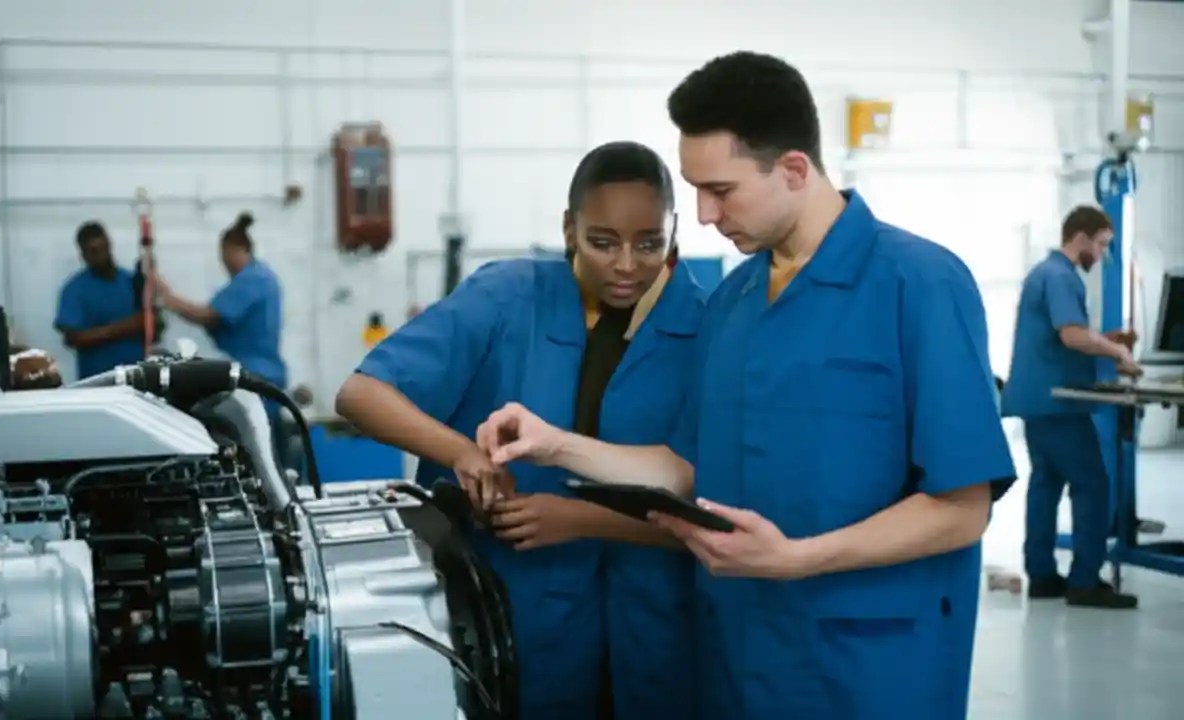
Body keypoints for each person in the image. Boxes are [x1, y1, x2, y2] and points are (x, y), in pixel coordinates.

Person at [474, 52, 1017, 719]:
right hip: (737, 658)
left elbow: (963, 508)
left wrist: (798, 559)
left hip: (870, 667)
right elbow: (683, 468)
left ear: (793, 169)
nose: (702, 214)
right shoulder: (733, 302)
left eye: (720, 190)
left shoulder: (920, 285)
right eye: (695, 188)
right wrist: (552, 444)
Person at [334, 141, 702, 720]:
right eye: (602, 242)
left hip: (656, 631)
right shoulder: (508, 297)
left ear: (674, 229)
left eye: (649, 243)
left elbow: (717, 510)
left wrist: (579, 520)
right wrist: (464, 455)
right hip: (509, 617)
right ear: (569, 227)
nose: (627, 264)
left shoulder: (706, 328)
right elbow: (362, 394)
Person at [1000, 205, 1141, 609]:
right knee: (1093, 484)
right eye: (1101, 245)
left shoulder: (1043, 274)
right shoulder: (1061, 276)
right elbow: (1072, 336)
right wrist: (1115, 349)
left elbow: (1060, 335)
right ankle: (1084, 582)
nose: (1101, 255)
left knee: (1046, 483)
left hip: (1037, 399)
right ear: (1080, 236)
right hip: (1058, 401)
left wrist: (1107, 339)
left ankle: (1042, 574)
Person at [156, 212, 288, 427]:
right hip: (262, 375)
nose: (224, 263)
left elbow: (208, 316)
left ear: (235, 250)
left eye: (224, 256)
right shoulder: (261, 277)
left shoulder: (253, 279)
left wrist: (167, 297)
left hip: (258, 377)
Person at [54, 221, 145, 379]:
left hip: (137, 379)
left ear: (110, 245)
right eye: (93, 251)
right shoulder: (75, 289)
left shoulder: (132, 281)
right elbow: (73, 338)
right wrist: (123, 328)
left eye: (104, 248)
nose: (100, 255)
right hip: (97, 384)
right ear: (83, 255)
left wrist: (153, 320)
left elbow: (153, 328)